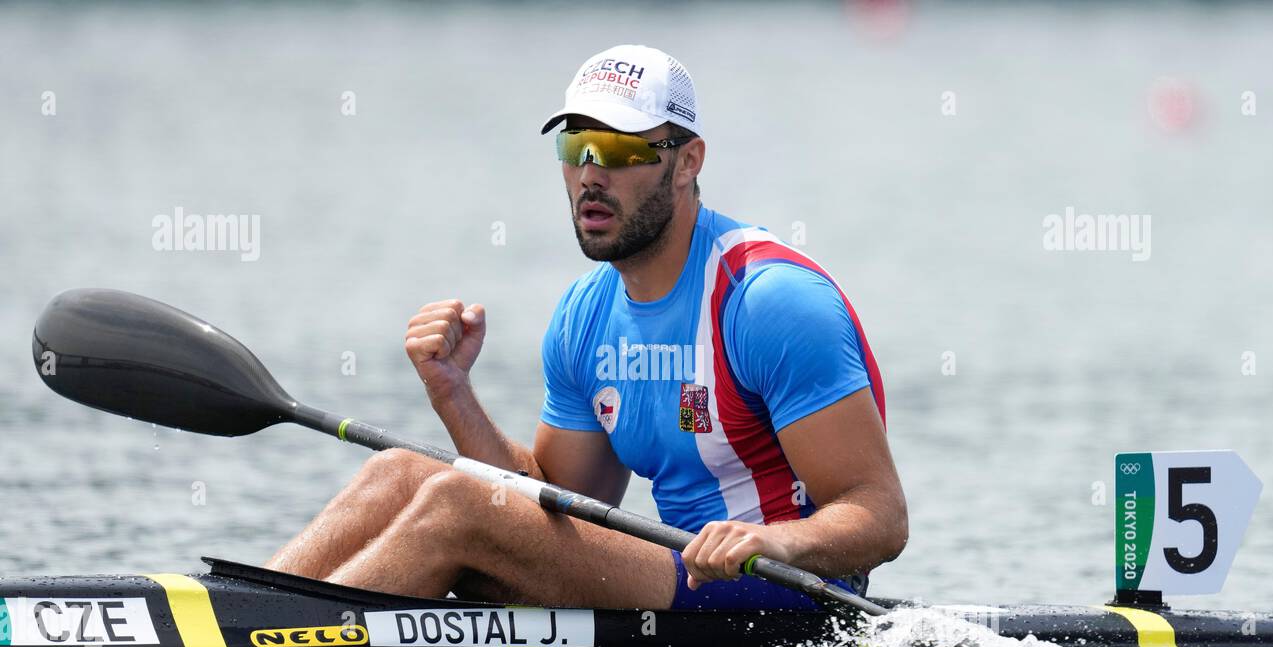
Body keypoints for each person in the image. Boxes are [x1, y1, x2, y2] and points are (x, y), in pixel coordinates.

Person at [267, 44, 908, 609]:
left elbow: (879, 518)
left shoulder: (769, 302)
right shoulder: (586, 313)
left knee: (455, 506)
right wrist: (453, 394)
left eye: (623, 149)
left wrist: (774, 539)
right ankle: (244, 615)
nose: (591, 175)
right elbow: (552, 500)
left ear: (688, 162)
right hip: (676, 573)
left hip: (788, 590)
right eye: (576, 147)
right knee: (402, 472)